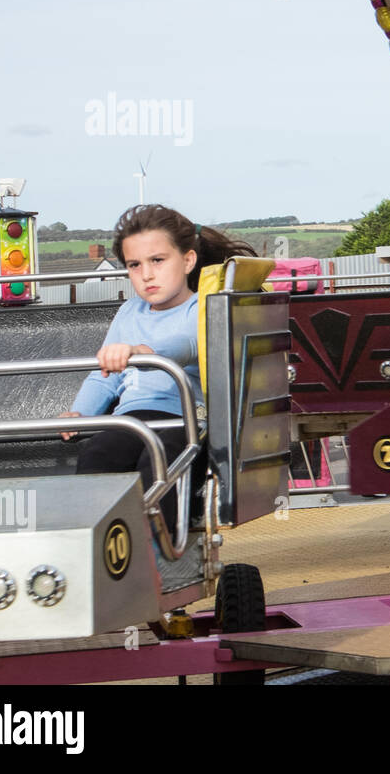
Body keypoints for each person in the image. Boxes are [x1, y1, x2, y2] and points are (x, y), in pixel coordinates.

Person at [59, 204, 256, 534]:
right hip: (132, 418)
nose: (147, 274)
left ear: (188, 260)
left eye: (157, 261)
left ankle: (163, 553)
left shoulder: (203, 308)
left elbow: (187, 345)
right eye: (135, 265)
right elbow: (105, 378)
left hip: (187, 419)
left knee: (159, 461)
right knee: (98, 456)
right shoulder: (129, 312)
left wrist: (144, 352)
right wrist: (80, 413)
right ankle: (101, 547)